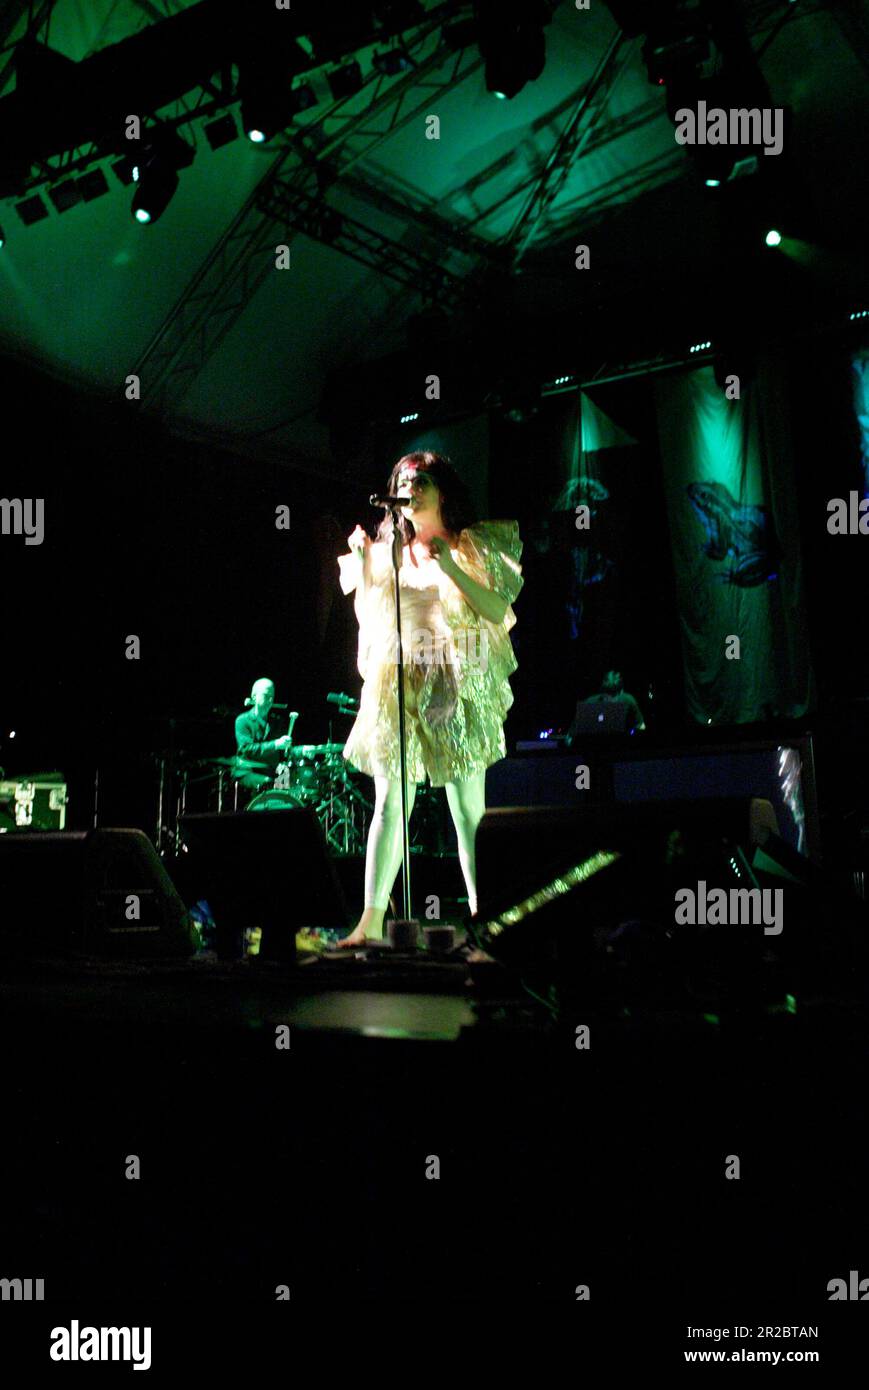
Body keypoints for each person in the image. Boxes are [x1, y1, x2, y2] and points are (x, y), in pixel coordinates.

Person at [335, 451, 523, 946]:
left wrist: (454, 570)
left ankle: (488, 923)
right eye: (402, 482)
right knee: (389, 804)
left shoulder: (469, 545)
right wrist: (362, 568)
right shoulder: (385, 552)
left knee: (466, 810)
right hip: (397, 682)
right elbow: (370, 622)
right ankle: (371, 922)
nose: (409, 490)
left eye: (419, 482)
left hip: (454, 682)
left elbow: (497, 608)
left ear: (442, 491)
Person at [233, 678, 295, 793]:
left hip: (271, 771)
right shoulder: (242, 721)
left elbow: (285, 753)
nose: (270, 700)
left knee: (291, 785)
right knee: (269, 783)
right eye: (266, 695)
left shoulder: (277, 721)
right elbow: (246, 750)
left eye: (272, 696)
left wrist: (300, 751)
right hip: (249, 771)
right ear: (254, 696)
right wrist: (276, 744)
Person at [565, 670, 646, 744]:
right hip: (594, 746)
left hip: (621, 746)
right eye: (607, 695)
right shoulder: (590, 702)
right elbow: (572, 732)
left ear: (621, 692)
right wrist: (570, 740)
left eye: (613, 695)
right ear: (602, 692)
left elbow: (641, 725)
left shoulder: (628, 700)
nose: (610, 699)